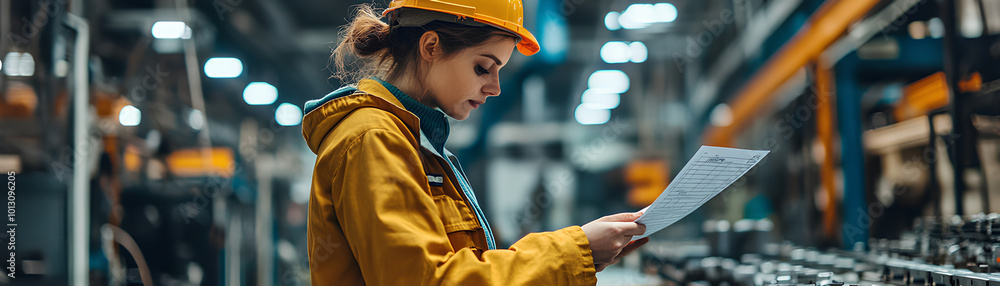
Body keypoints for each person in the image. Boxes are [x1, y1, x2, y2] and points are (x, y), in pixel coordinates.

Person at [301, 0, 648, 284]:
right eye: (483, 67)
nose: (494, 87)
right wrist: (575, 250)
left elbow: (456, 267)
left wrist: (585, 255)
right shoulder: (374, 139)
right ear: (431, 46)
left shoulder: (412, 140)